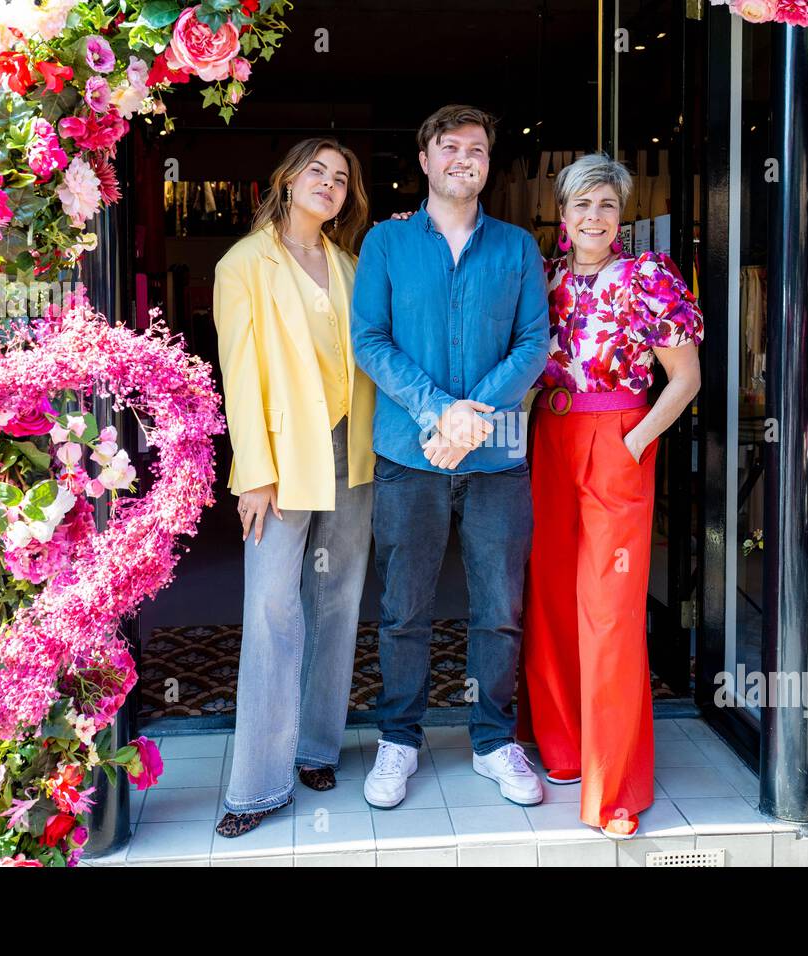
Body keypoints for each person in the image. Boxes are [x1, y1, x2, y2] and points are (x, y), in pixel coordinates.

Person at [351, 104, 549, 809]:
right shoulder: (385, 244)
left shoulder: (518, 247)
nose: (465, 157)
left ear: (488, 166)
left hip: (496, 462)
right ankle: (399, 740)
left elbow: (534, 344)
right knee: (405, 607)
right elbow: (370, 340)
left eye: (478, 149)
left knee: (498, 607)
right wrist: (440, 410)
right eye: (450, 146)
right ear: (426, 160)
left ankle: (495, 743)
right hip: (411, 455)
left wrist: (474, 419)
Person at [517, 153, 703, 840]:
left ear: (621, 215)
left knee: (610, 610)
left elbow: (685, 378)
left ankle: (615, 783)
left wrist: (635, 441)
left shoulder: (648, 277)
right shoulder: (547, 278)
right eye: (580, 204)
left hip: (617, 434)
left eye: (605, 204)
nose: (592, 216)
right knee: (553, 595)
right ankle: (563, 751)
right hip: (552, 435)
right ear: (561, 215)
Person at [211, 138, 375, 837]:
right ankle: (256, 785)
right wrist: (254, 471)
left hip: (350, 450)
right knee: (275, 607)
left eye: (342, 178)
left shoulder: (349, 266)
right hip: (282, 457)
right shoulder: (243, 263)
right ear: (286, 178)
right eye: (319, 171)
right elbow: (239, 375)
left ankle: (316, 747)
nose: (331, 185)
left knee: (337, 601)